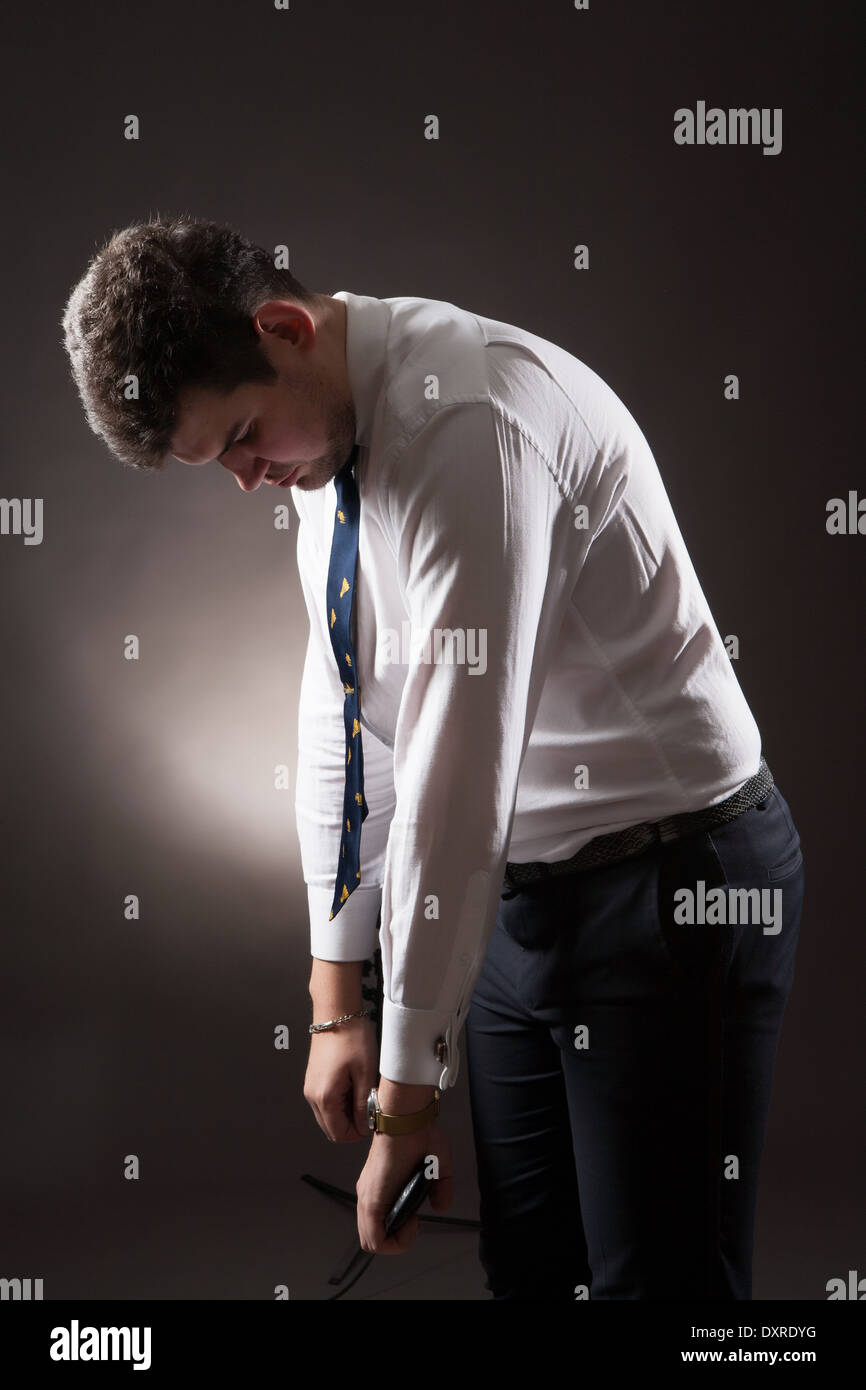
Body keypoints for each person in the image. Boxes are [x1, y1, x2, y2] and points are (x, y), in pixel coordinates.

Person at [61, 214, 805, 1299]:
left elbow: (455, 787)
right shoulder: (324, 447)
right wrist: (336, 999)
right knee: (529, 1273)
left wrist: (406, 1106)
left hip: (671, 889)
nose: (244, 481)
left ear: (282, 330)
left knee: (665, 1291)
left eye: (236, 439)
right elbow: (344, 716)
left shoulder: (468, 422)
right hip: (516, 897)